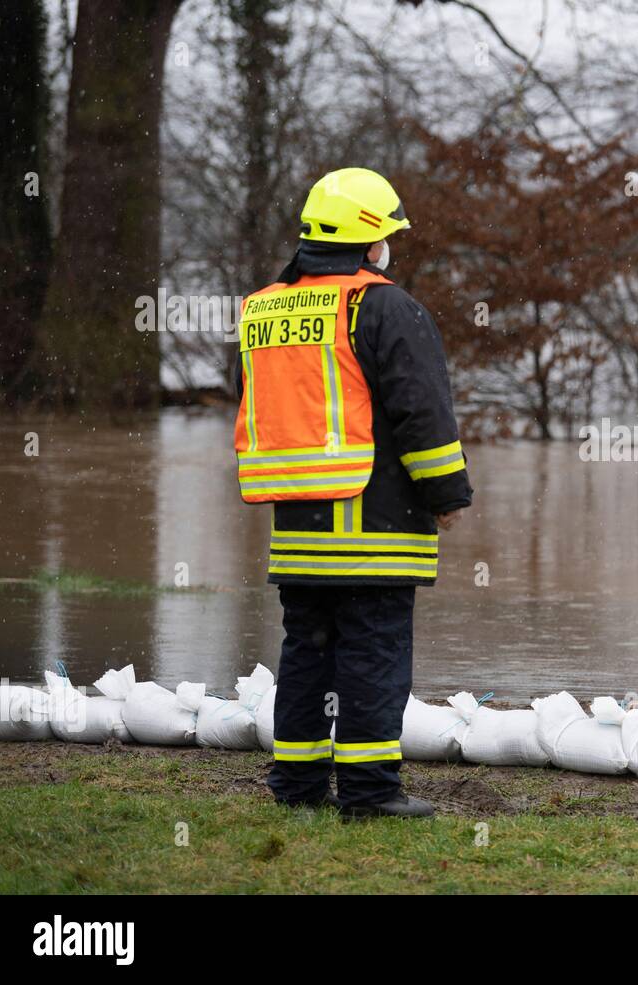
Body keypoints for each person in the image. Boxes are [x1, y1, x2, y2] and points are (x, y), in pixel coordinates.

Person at [233, 167, 471, 819]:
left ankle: (297, 784)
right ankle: (369, 792)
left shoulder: (264, 307)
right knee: (374, 655)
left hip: (297, 532)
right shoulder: (387, 307)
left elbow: (257, 400)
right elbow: (422, 412)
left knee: (306, 655)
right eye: (388, 235)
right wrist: (448, 493)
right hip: (377, 527)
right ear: (371, 243)